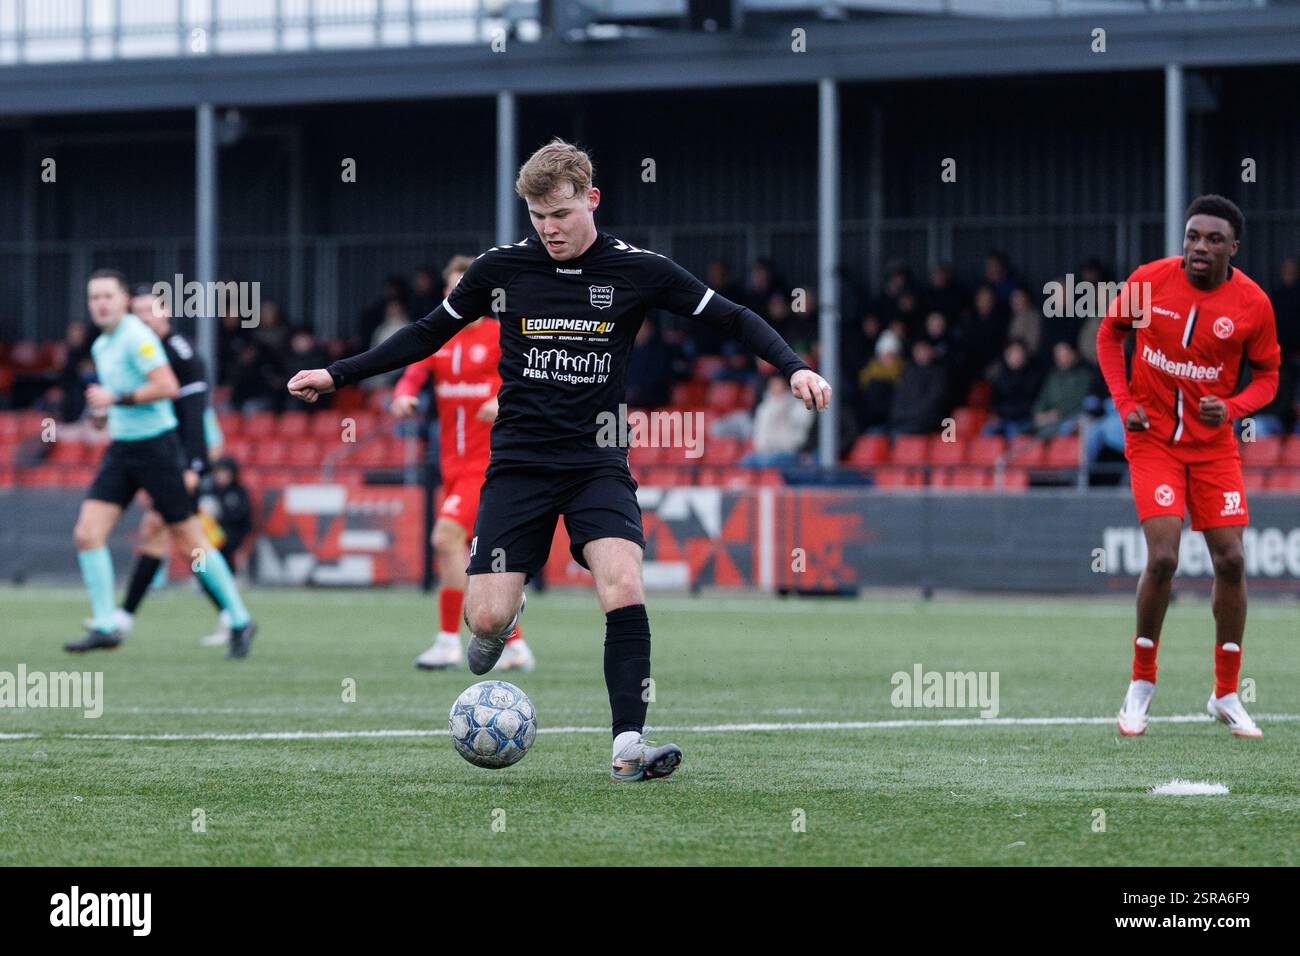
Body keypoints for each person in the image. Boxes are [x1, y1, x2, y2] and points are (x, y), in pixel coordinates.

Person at [288, 139, 829, 782]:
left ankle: (628, 743)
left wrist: (793, 367)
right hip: (517, 464)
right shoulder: (501, 269)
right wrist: (337, 374)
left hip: (597, 462)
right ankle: (503, 617)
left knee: (623, 581)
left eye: (561, 214)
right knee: (483, 617)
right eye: (538, 216)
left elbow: (734, 317)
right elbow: (426, 333)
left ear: (591, 200)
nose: (549, 229)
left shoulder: (639, 270)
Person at [1101, 195, 1280, 738]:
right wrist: (1126, 405)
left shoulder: (1253, 304)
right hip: (1152, 440)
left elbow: (1269, 377)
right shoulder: (1150, 281)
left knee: (1231, 561)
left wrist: (1232, 407)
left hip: (1213, 448)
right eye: (1193, 236)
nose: (1199, 247)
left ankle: (1225, 693)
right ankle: (1141, 686)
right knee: (1162, 558)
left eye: (1213, 240)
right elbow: (1110, 338)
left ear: (1233, 248)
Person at [65, 270, 256, 659]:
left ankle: (238, 618)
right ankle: (106, 625)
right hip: (123, 449)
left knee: (191, 543)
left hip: (158, 450)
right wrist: (103, 412)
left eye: (107, 296)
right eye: (94, 297)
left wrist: (116, 399)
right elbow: (119, 399)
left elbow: (168, 388)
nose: (100, 303)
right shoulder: (103, 345)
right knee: (87, 533)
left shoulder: (140, 339)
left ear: (123, 302)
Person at [389, 255, 534, 673]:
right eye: (449, 291)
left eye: (462, 289)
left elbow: (528, 375)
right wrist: (403, 393)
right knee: (481, 559)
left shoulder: (500, 336)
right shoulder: (440, 338)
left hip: (489, 465)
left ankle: (449, 640)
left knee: (444, 539)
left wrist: (502, 398)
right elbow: (413, 369)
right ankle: (514, 644)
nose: (455, 297)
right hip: (451, 467)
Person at [101, 286, 233, 643]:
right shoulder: (144, 351)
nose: (143, 318)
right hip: (167, 458)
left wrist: (192, 466)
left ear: (166, 313)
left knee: (190, 544)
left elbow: (196, 418)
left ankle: (231, 614)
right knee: (166, 538)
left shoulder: (180, 353)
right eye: (137, 312)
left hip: (184, 460)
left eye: (150, 311)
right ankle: (126, 617)